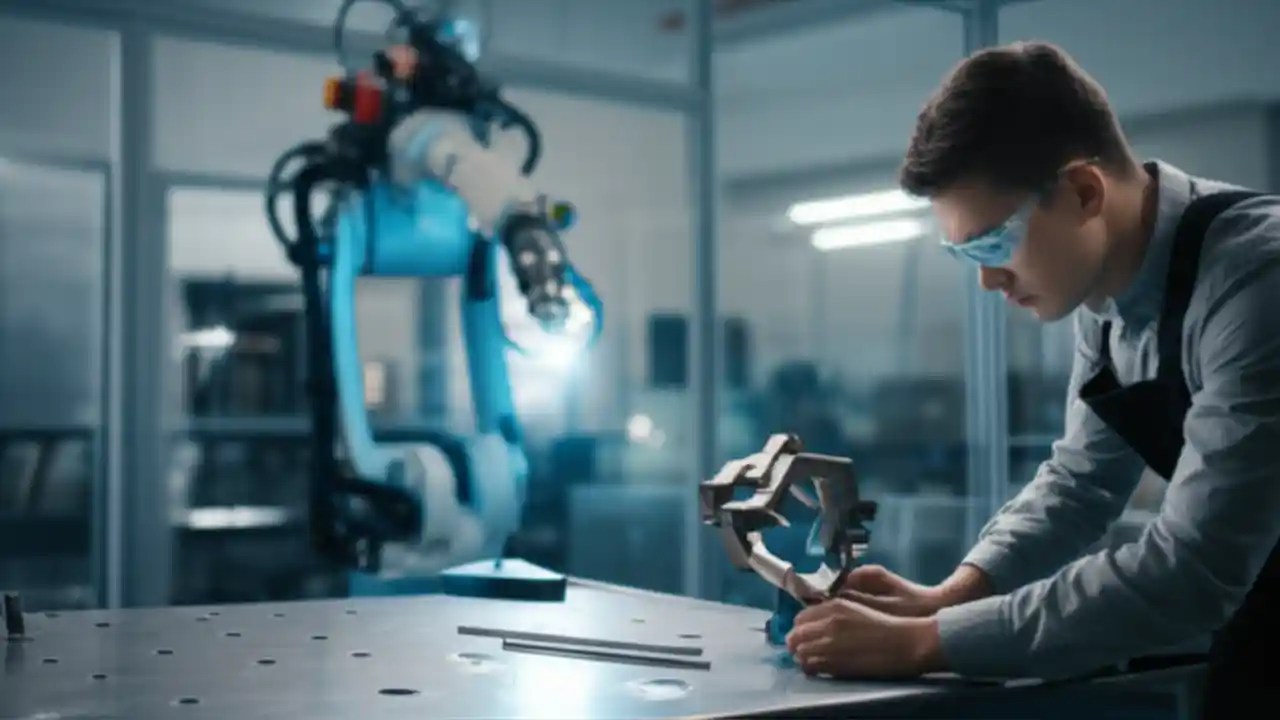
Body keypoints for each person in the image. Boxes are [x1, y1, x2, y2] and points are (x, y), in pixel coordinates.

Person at [784, 40, 1280, 716]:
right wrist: (952, 598)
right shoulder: (1105, 295)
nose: (987, 280)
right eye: (965, 255)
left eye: (993, 244)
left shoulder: (1258, 281)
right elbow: (1079, 485)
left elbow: (1194, 568)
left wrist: (927, 642)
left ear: (1083, 192)